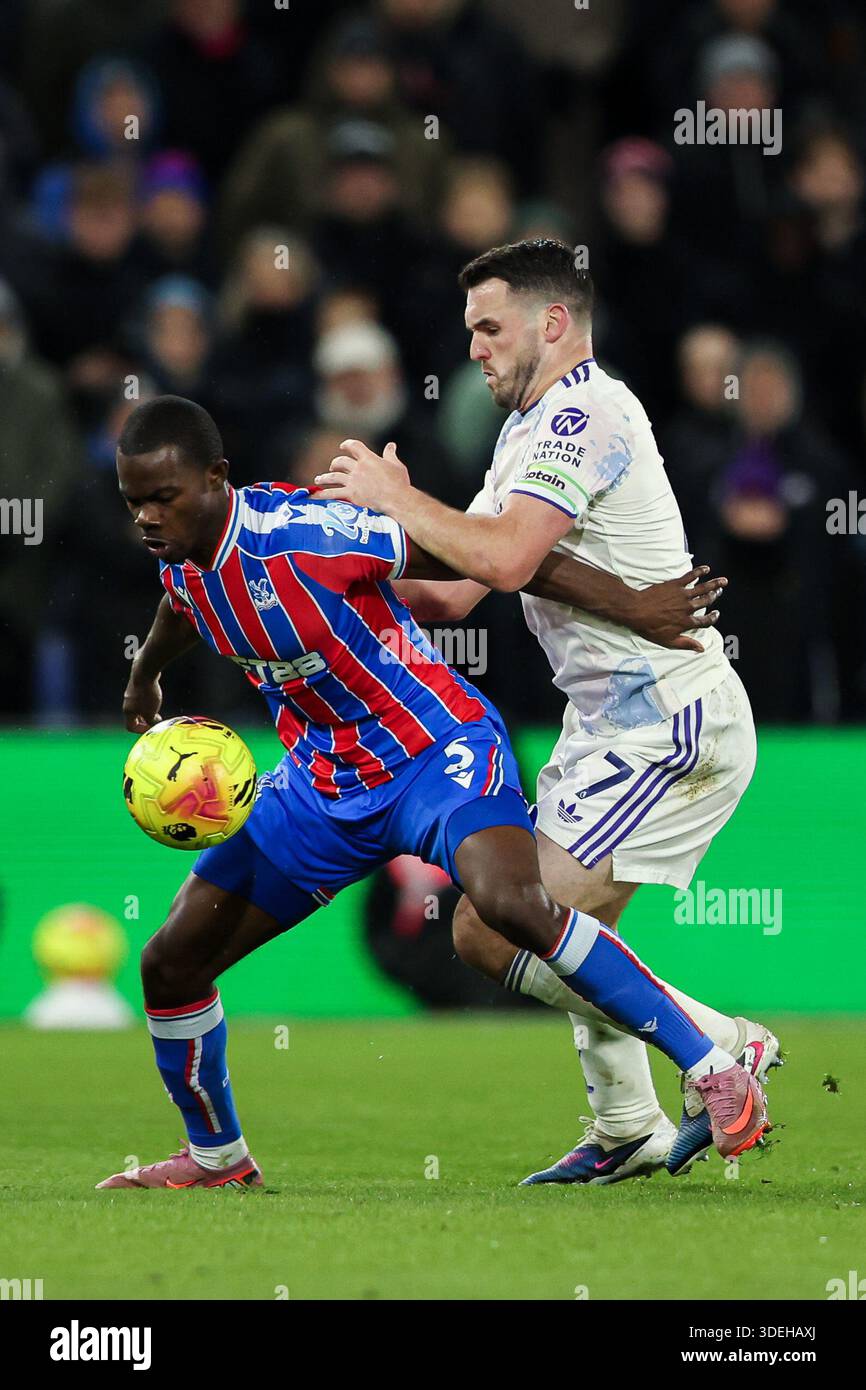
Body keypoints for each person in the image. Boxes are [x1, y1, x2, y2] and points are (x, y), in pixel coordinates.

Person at [97, 393, 765, 1190]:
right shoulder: (179, 554)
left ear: (216, 478)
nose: (146, 517)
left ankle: (715, 1067)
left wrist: (635, 605)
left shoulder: (309, 535)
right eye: (133, 501)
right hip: (320, 784)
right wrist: (146, 678)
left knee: (512, 904)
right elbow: (181, 602)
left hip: (433, 749)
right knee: (170, 962)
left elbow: (487, 559)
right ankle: (218, 1160)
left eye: (163, 498)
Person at [314, 239, 781, 1184]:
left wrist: (399, 499)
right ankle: (629, 1127)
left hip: (666, 723)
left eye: (490, 327)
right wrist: (314, 580)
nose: (477, 348)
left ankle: (725, 1045)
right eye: (471, 331)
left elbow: (510, 558)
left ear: (552, 322)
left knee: (503, 924)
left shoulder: (587, 413)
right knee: (536, 931)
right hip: (606, 725)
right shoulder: (527, 431)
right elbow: (451, 592)